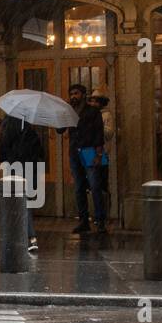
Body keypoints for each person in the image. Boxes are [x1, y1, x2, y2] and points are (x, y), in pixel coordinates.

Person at [58, 84, 106, 234]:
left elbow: (99, 133)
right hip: (75, 152)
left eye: (76, 93)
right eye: (71, 94)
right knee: (79, 188)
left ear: (83, 95)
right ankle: (83, 220)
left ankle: (100, 221)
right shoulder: (68, 111)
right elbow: (59, 130)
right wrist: (61, 115)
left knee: (95, 186)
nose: (73, 96)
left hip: (90, 150)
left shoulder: (93, 111)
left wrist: (99, 154)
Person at [0, 113, 45, 252]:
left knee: (18, 203)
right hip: (29, 170)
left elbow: (3, 148)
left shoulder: (8, 126)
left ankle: (25, 236)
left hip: (15, 170)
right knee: (26, 203)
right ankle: (29, 237)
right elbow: (40, 152)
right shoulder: (30, 130)